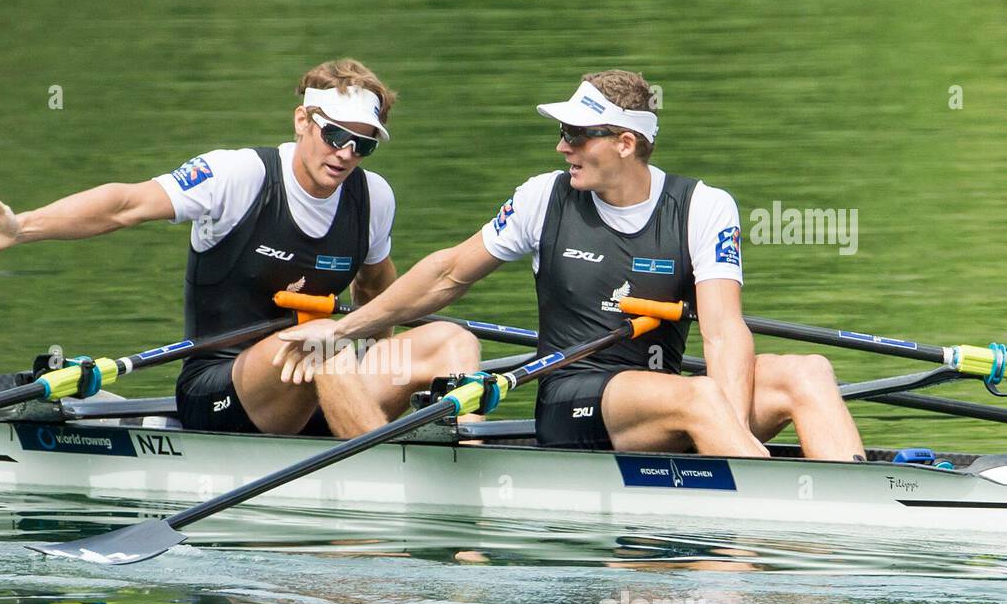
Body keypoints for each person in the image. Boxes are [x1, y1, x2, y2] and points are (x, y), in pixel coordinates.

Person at [274, 70, 865, 460]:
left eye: (578, 135)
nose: (563, 147)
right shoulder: (543, 197)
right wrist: (346, 329)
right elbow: (450, 273)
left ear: (626, 143)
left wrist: (723, 424)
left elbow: (722, 330)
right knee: (700, 399)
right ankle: (779, 511)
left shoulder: (703, 206)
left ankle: (864, 509)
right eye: (563, 133)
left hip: (670, 401)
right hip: (574, 398)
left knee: (806, 372)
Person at [0, 58, 479, 437]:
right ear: (302, 121)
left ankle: (466, 457)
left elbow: (377, 289)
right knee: (326, 340)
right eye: (335, 135)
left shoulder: (374, 197)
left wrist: (368, 353)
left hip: (325, 370)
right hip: (220, 391)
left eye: (362, 144)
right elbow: (124, 204)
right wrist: (21, 227)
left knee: (451, 340)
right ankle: (385, 474)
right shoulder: (239, 176)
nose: (346, 154)